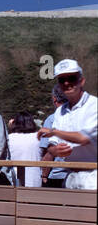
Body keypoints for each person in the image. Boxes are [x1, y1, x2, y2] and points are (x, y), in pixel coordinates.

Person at [38, 59, 96, 190]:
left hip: (93, 176)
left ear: (82, 81)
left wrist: (55, 131)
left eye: (72, 78)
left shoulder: (94, 106)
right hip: (70, 177)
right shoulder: (60, 111)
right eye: (61, 80)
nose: (66, 83)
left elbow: (83, 138)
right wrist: (55, 150)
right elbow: (52, 145)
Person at [40, 86, 70, 188]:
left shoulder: (52, 119)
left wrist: (44, 175)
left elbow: (48, 152)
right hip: (75, 173)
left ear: (54, 98)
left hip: (56, 175)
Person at [7, 111, 42, 187]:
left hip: (14, 180)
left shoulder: (9, 138)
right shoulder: (38, 137)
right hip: (34, 179)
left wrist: (10, 128)